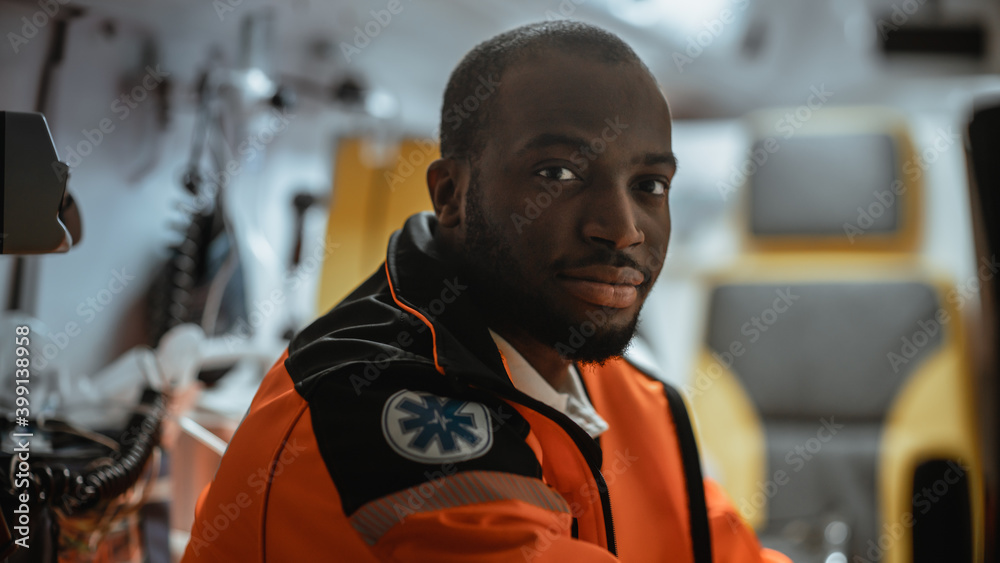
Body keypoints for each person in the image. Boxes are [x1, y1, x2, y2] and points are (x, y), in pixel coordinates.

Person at [180, 20, 791, 562]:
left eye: (650, 184)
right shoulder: (365, 391)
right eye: (559, 174)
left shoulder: (641, 399)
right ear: (451, 195)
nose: (624, 229)